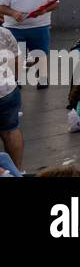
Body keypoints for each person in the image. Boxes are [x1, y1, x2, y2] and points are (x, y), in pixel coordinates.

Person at [0, 0, 60, 88]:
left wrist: (44, 10)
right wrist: (13, 13)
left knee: (41, 54)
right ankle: (17, 79)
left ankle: (42, 78)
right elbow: (1, 6)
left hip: (39, 26)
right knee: (16, 55)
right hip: (14, 27)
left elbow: (55, 3)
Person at [0, 24, 23, 172]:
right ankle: (16, 172)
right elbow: (17, 61)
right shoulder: (4, 32)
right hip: (7, 89)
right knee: (11, 131)